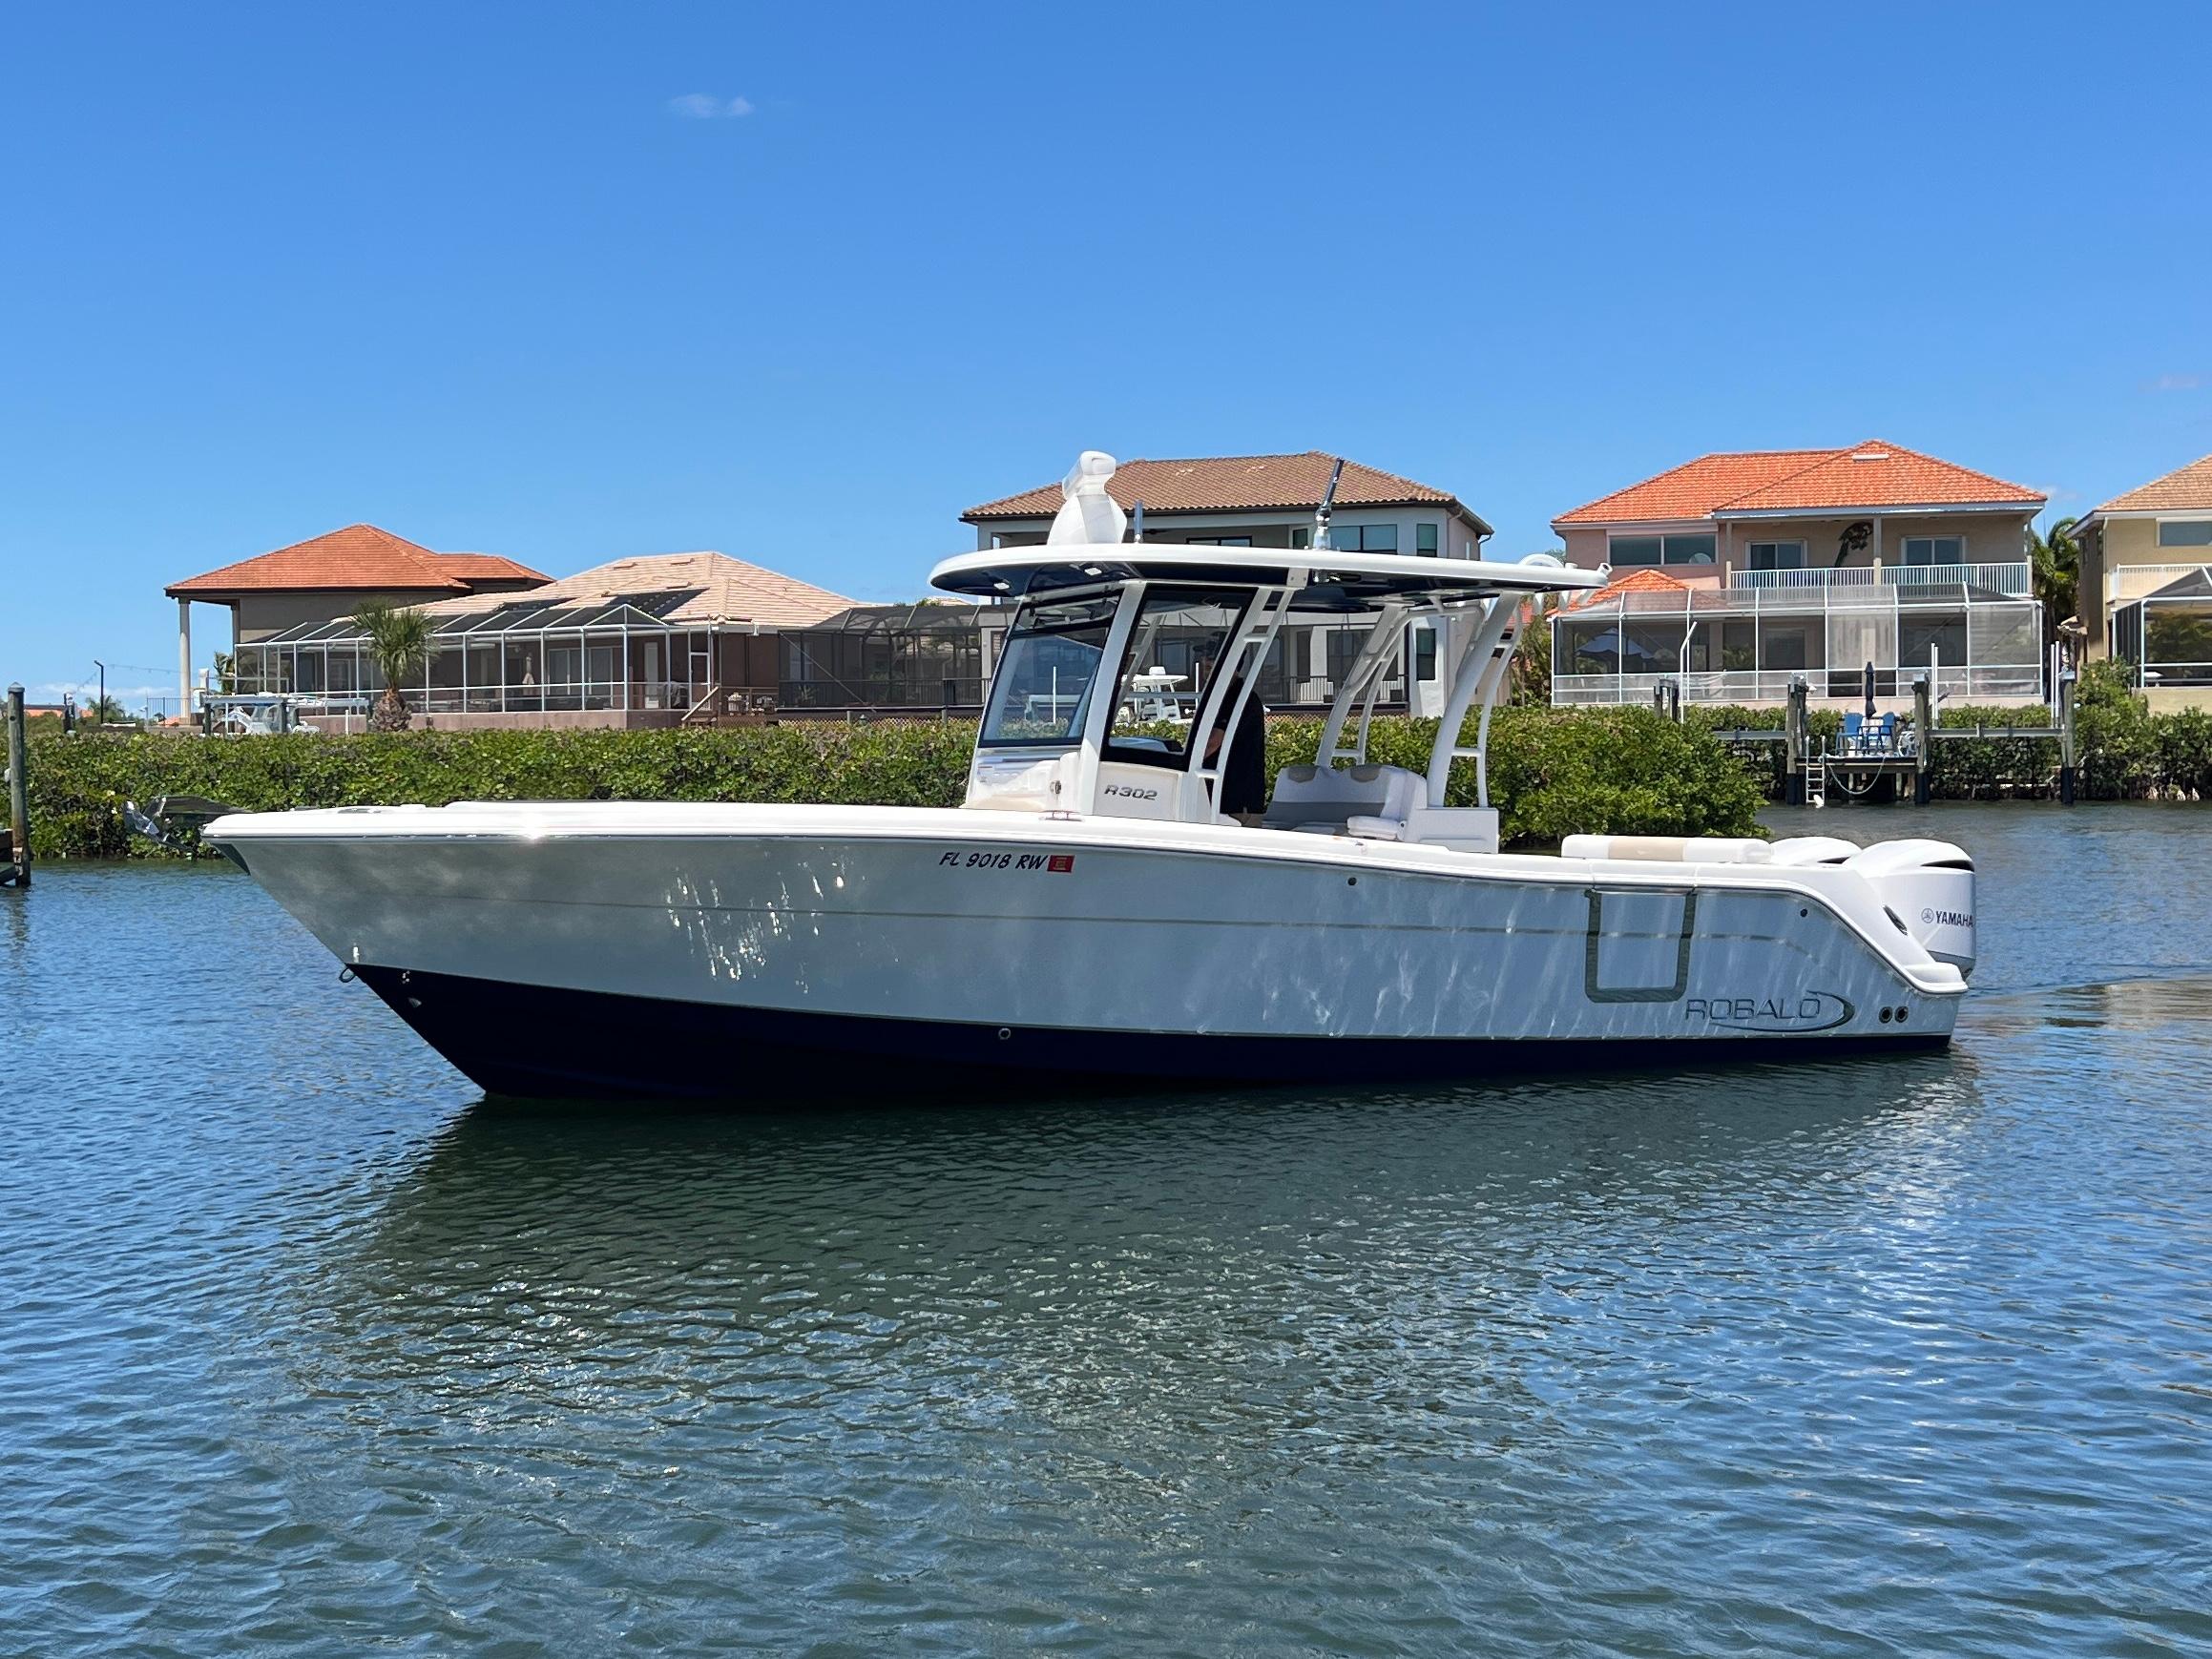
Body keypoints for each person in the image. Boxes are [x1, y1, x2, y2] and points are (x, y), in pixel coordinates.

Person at [1205, 674, 1268, 823]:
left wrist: (1188, 764)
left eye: (1210, 667)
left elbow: (1213, 741)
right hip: (1228, 797)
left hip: (1237, 799)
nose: (1206, 673)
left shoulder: (1237, 698)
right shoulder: (1226, 696)